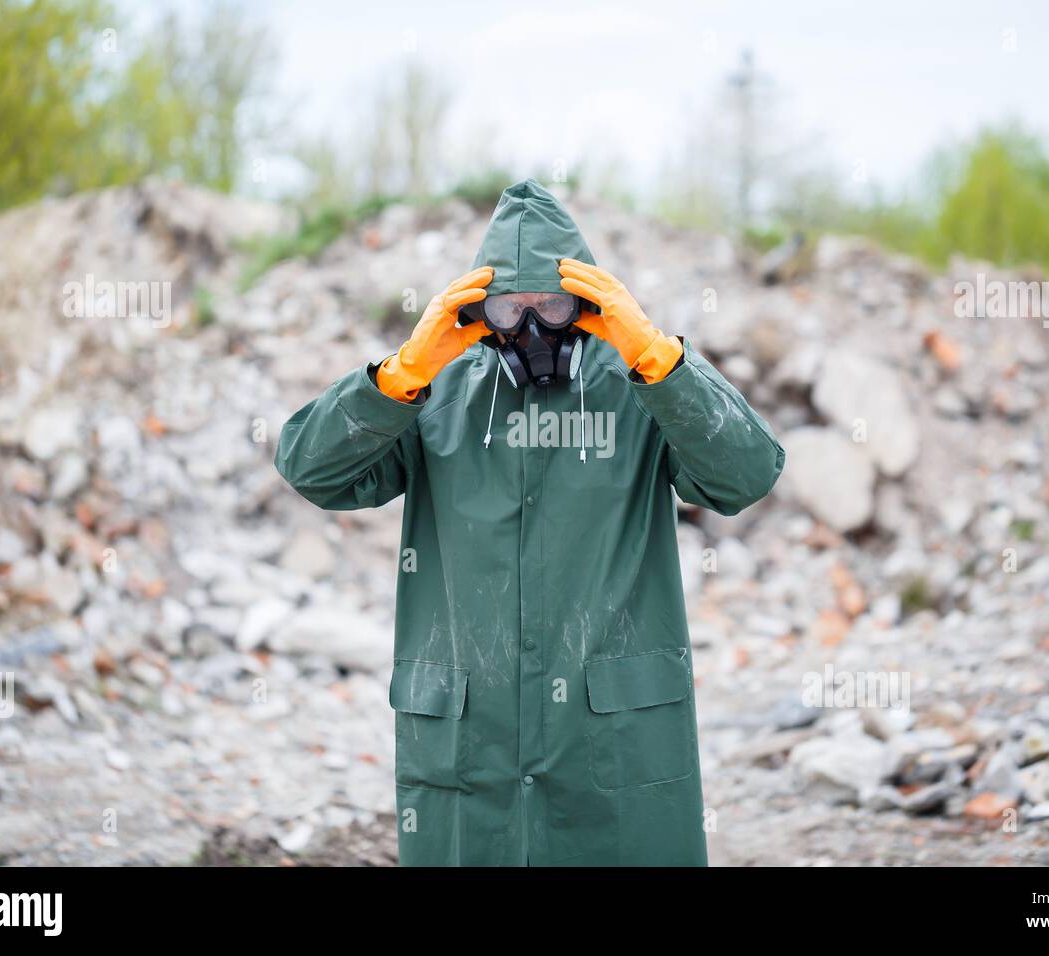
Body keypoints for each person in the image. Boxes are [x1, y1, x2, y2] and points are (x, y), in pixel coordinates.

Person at [275, 179, 785, 866]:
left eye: (552, 303)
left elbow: (746, 475)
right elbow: (313, 469)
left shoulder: (640, 385)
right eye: (509, 307)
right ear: (476, 310)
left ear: (589, 303)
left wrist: (660, 359)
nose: (532, 325)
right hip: (469, 752)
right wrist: (402, 373)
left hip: (610, 751)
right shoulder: (435, 391)